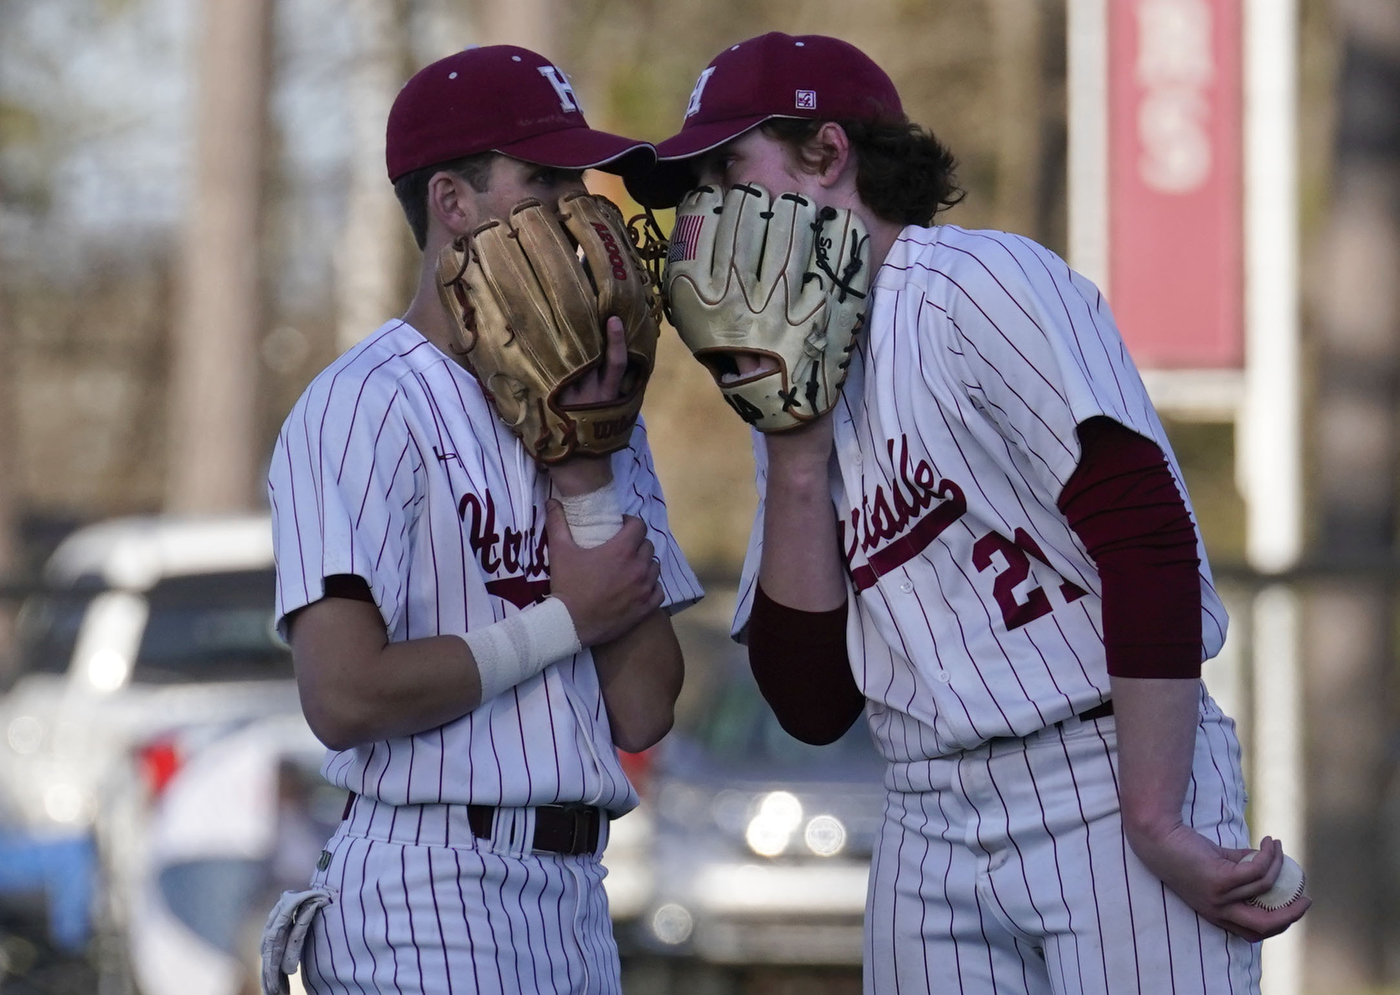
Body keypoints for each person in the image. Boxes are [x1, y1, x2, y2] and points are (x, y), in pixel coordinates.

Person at [626, 32, 1308, 995]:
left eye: (726, 170)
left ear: (829, 154)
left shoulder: (975, 284)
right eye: (694, 186)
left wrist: (1154, 814)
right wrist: (796, 456)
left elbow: (1145, 533)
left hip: (1101, 770)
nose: (705, 212)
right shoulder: (795, 374)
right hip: (922, 814)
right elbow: (814, 704)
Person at [266, 44, 701, 993]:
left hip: (577, 894)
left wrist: (588, 474)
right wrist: (565, 620)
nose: (579, 207)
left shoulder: (602, 404)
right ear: (452, 204)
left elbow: (646, 705)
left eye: (579, 178)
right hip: (426, 886)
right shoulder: (361, 405)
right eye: (542, 177)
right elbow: (342, 698)